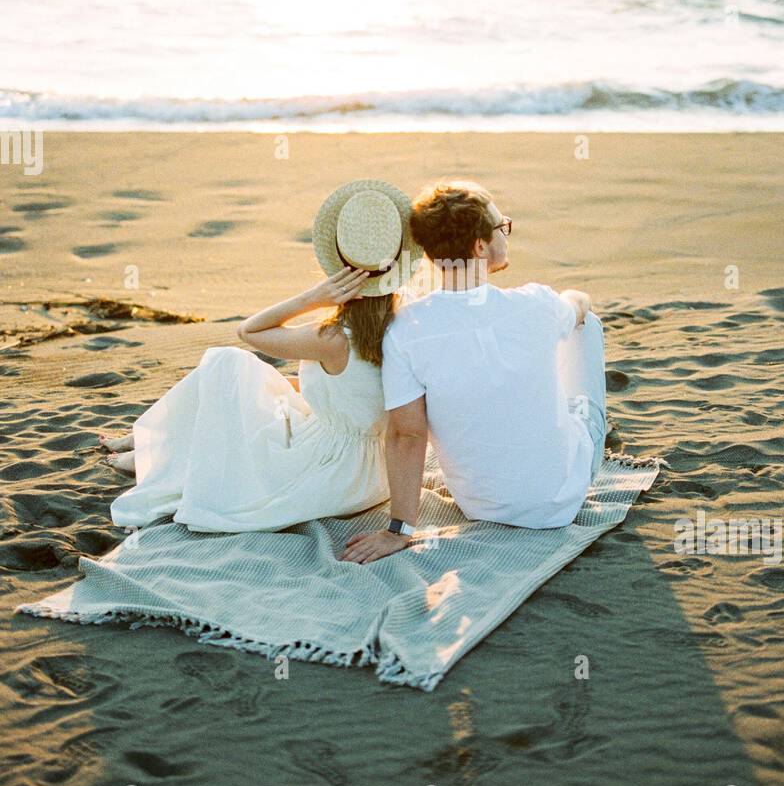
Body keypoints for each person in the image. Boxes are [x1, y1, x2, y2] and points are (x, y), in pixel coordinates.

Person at [103, 179, 423, 533]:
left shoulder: (333, 338)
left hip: (331, 470)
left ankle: (154, 450)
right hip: (373, 471)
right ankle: (149, 444)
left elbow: (249, 331)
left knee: (228, 364)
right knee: (264, 385)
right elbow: (359, 392)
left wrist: (313, 298)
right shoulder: (407, 319)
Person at [338, 180, 606, 564]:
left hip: (482, 506)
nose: (506, 232)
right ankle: (573, 423)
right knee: (586, 325)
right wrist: (573, 300)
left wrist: (398, 529)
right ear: (480, 246)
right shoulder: (537, 303)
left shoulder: (405, 330)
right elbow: (578, 303)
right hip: (562, 498)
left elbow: (408, 434)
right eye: (501, 227)